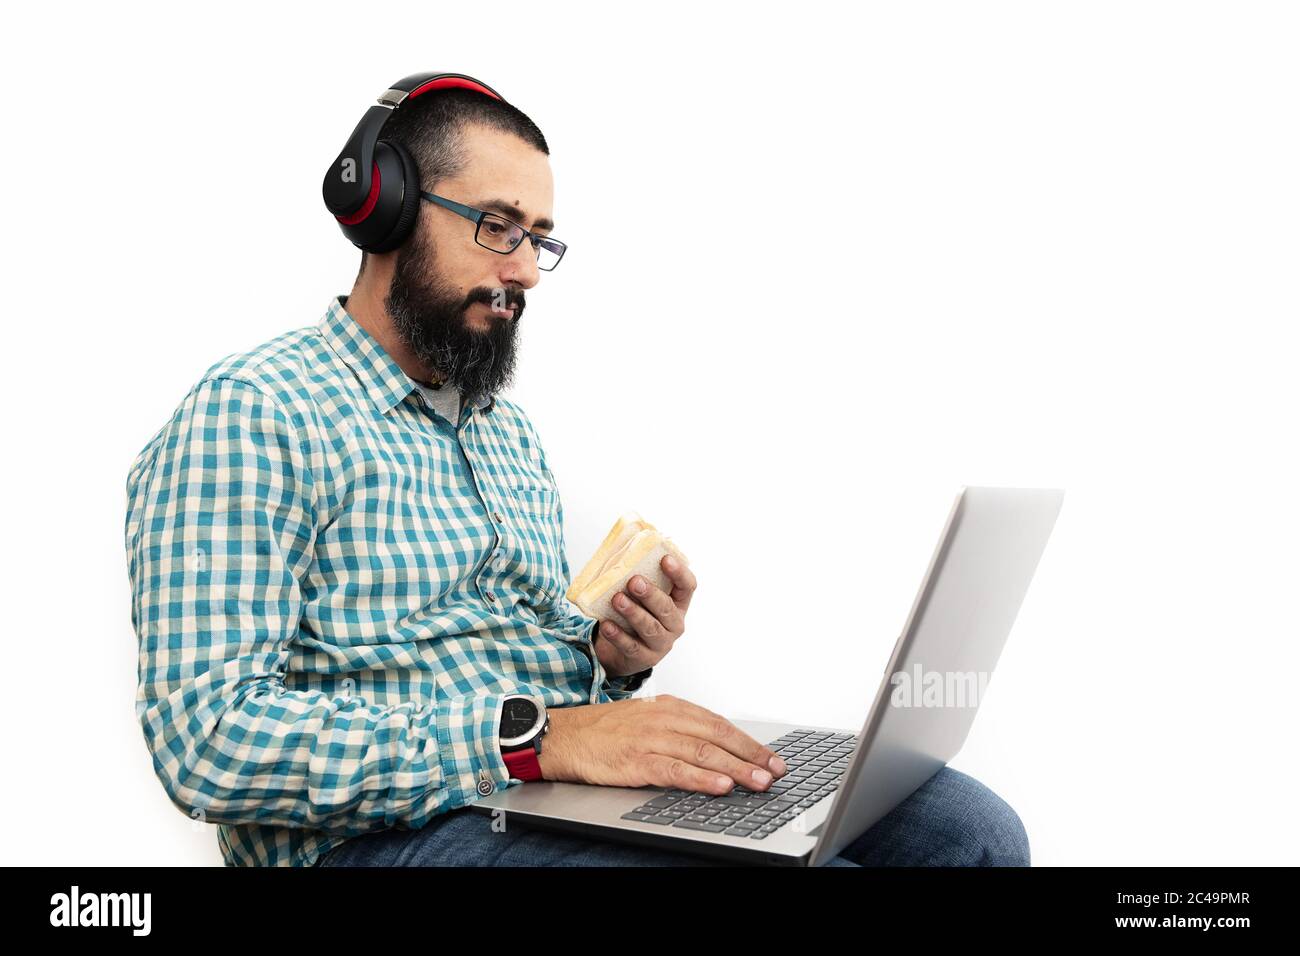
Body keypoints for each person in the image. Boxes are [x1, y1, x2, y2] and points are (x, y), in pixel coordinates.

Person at [123, 82, 1030, 868]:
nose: (525, 270)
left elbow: (524, 674)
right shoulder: (253, 412)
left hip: (528, 798)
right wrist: (538, 737)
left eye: (539, 239)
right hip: (372, 841)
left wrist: (608, 660)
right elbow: (207, 742)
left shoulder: (505, 433)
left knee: (967, 828)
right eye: (495, 227)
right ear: (385, 209)